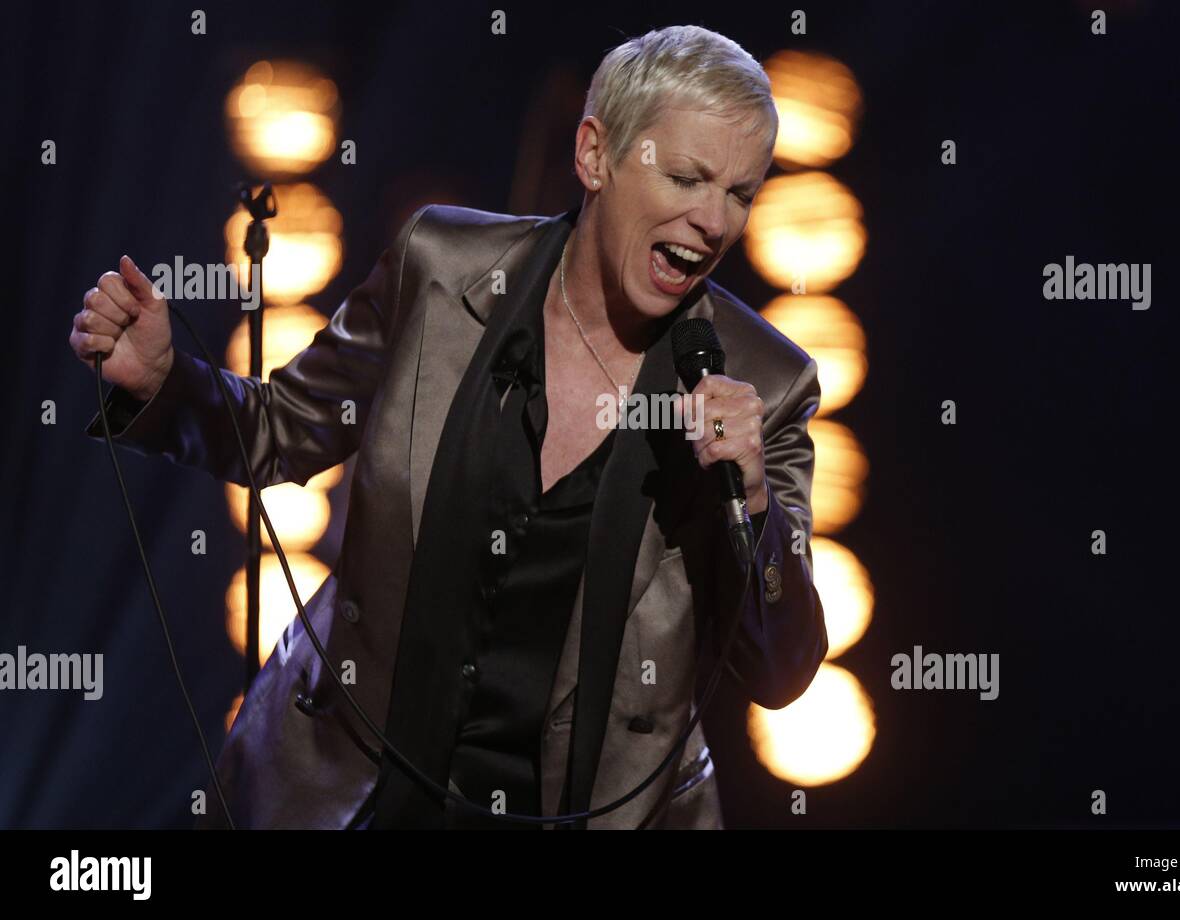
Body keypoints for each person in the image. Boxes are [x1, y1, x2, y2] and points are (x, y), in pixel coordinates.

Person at [70, 24, 828, 829]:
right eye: (685, 178)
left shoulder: (764, 384)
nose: (714, 221)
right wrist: (167, 386)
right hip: (354, 793)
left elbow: (782, 669)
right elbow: (283, 430)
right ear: (594, 155)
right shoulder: (444, 269)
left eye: (741, 193)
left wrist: (748, 501)